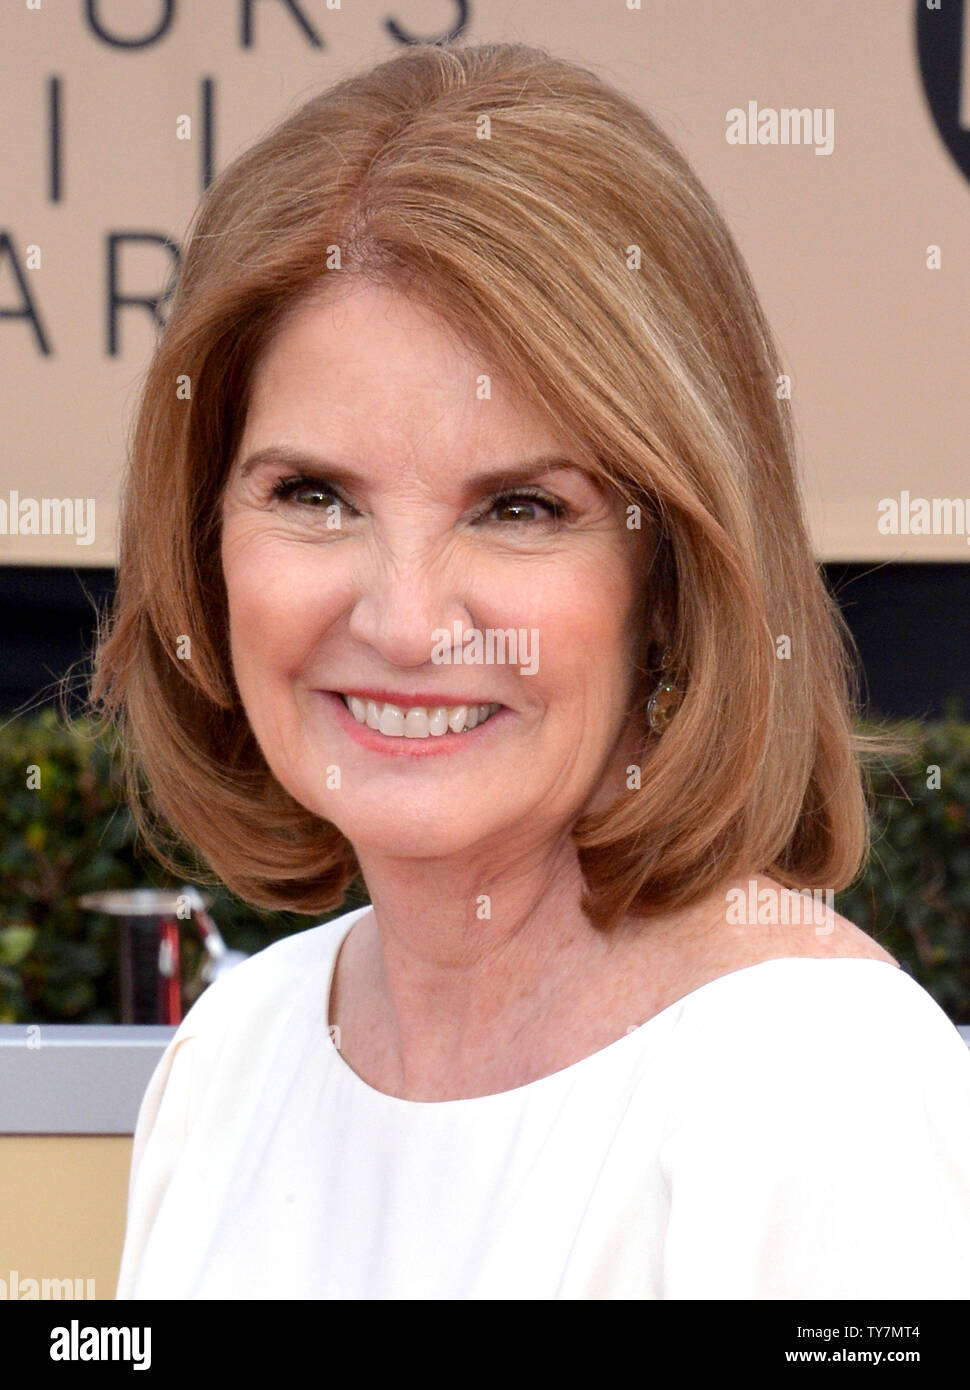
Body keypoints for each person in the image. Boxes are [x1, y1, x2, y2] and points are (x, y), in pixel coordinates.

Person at [97, 39, 970, 1299]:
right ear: (204, 535)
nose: (404, 621)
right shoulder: (235, 1055)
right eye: (313, 494)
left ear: (670, 573)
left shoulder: (817, 1081)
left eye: (517, 507)